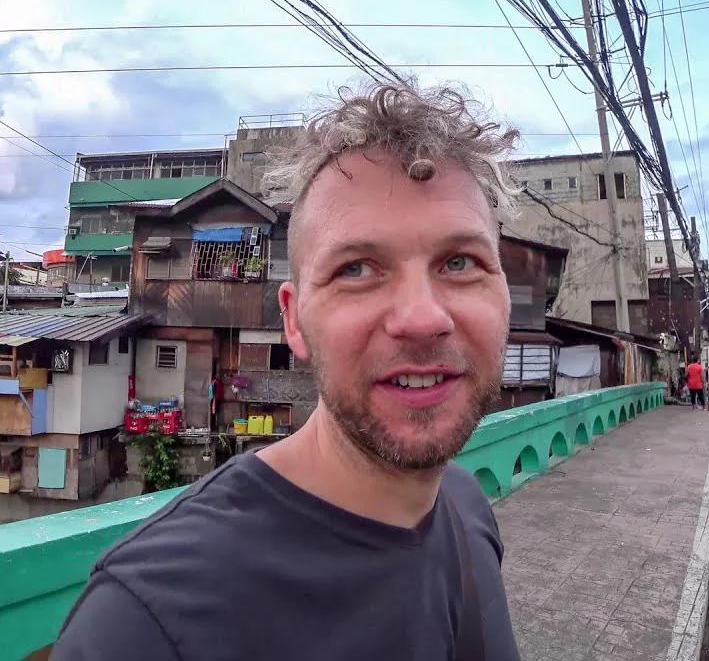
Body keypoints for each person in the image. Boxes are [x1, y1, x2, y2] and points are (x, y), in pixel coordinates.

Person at [53, 83, 521, 660]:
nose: (422, 318)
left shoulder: (466, 507)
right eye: (357, 270)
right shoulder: (147, 622)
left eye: (459, 262)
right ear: (294, 320)